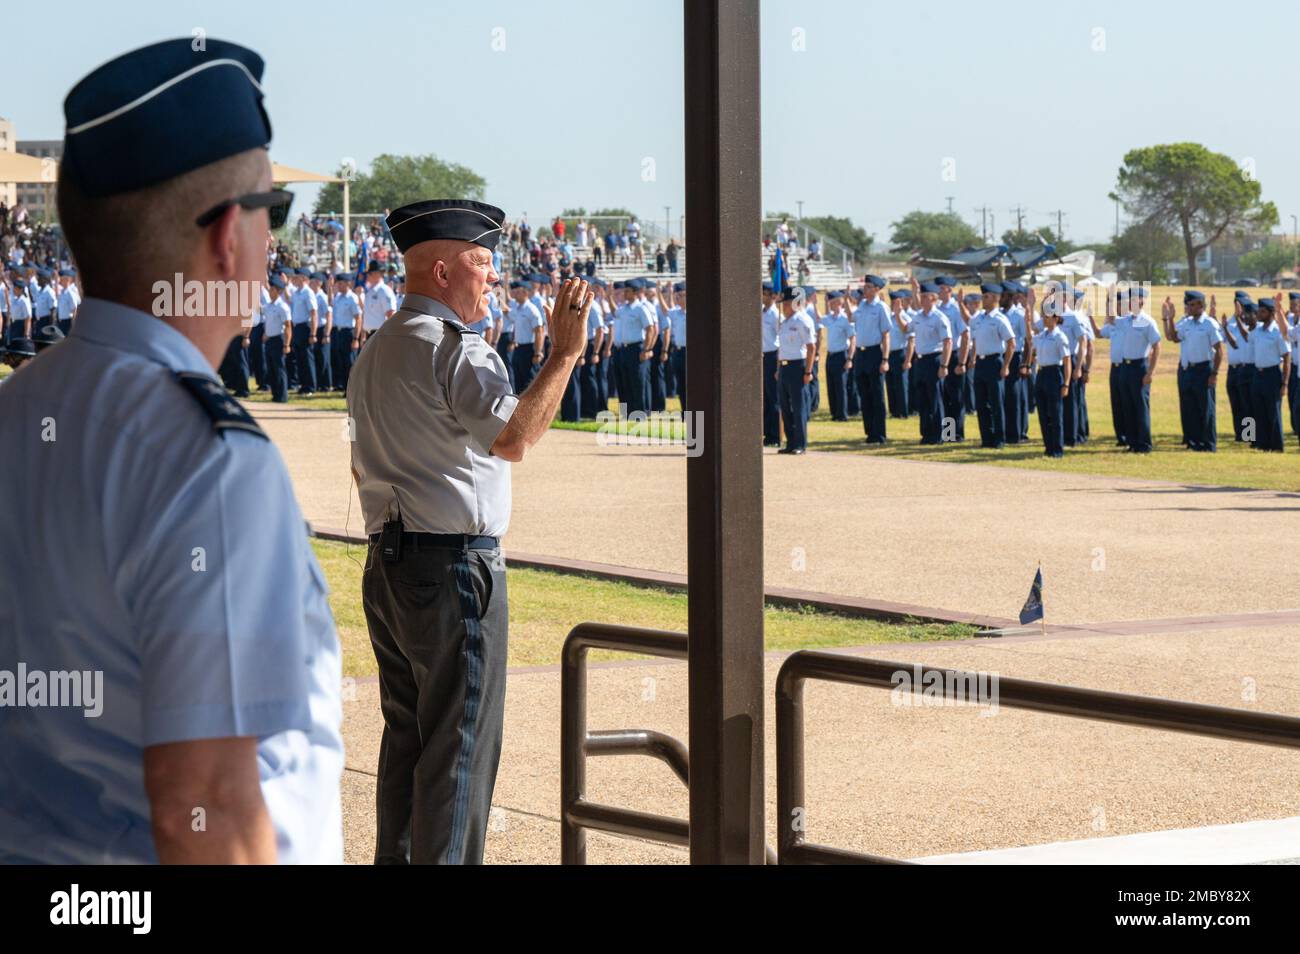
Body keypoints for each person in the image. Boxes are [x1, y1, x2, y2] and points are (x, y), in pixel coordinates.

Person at [0, 37, 341, 864]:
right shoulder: (209, 459)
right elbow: (210, 807)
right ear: (230, 237)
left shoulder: (20, 411)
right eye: (273, 212)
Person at [348, 199, 592, 864]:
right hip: (455, 569)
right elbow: (514, 437)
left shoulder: (377, 350)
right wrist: (565, 355)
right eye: (483, 263)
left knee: (409, 741)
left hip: (391, 563)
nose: (493, 278)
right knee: (459, 753)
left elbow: (357, 463)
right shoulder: (457, 348)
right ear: (444, 269)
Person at [1162, 290, 1224, 452]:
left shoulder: (1209, 324)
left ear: (1200, 305)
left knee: (1206, 409)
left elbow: (1219, 350)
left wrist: (1214, 374)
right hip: (1186, 370)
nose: (1188, 308)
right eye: (1187, 305)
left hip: (1203, 370)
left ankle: (1208, 444)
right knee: (1188, 407)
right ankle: (1193, 442)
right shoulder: (1186, 323)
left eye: (1191, 305)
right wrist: (1170, 317)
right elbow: (1173, 337)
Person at [1108, 287, 1161, 453]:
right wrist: (1110, 299)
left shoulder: (1148, 321)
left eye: (1132, 299)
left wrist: (1150, 372)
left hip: (1140, 366)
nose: (1129, 302)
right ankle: (1132, 443)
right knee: (1127, 406)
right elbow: (1111, 320)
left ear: (1141, 301)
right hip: (1125, 366)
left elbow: (1157, 346)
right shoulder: (1126, 320)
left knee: (1140, 406)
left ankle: (1144, 444)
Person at [963, 283, 1015, 448]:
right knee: (981, 403)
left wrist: (1006, 366)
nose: (982, 299)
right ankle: (986, 438)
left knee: (996, 402)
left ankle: (999, 439)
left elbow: (1011, 343)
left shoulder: (1000, 319)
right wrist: (972, 358)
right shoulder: (978, 319)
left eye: (985, 297)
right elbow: (975, 340)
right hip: (980, 363)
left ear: (994, 298)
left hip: (994, 362)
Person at [1241, 297, 1291, 452]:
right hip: (1258, 374)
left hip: (1272, 374)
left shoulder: (1277, 332)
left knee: (1273, 412)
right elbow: (1246, 338)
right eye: (1259, 311)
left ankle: (1277, 446)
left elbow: (1287, 357)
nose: (1259, 314)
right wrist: (1238, 320)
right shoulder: (1257, 331)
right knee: (1259, 410)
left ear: (1271, 313)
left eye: (1262, 312)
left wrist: (1284, 383)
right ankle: (1263, 444)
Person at [1027, 290, 1072, 458]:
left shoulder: (1060, 337)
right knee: (1043, 413)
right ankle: (1048, 446)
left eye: (1047, 316)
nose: (1044, 319)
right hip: (1041, 374)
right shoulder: (1042, 336)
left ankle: (1057, 449)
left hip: (1054, 374)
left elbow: (1067, 361)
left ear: (1055, 318)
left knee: (1055, 414)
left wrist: (1066, 383)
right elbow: (1031, 343)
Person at [909, 281, 953, 445]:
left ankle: (940, 434)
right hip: (920, 360)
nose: (921, 299)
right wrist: (899, 313)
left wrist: (944, 365)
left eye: (925, 297)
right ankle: (926, 433)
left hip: (934, 359)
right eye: (921, 296)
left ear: (933, 299)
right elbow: (906, 329)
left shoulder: (939, 317)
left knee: (936, 399)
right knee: (923, 399)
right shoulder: (918, 316)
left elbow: (948, 342)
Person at [850, 275, 891, 444]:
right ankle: (869, 433)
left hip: (875, 352)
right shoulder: (861, 306)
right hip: (861, 353)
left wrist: (885, 359)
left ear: (876, 289)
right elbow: (851, 319)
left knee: (877, 395)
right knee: (864, 394)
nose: (864, 290)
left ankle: (879, 434)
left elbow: (886, 334)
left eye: (868, 287)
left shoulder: (881, 307)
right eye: (864, 286)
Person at [775, 286, 815, 454]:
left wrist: (808, 371)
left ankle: (800, 444)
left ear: (794, 303)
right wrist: (778, 368)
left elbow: (811, 347)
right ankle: (791, 442)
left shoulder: (802, 320)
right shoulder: (785, 323)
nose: (782, 307)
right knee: (784, 406)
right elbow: (781, 348)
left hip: (797, 366)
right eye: (782, 304)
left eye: (785, 304)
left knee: (798, 407)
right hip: (784, 367)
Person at [822, 290, 855, 421]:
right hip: (830, 355)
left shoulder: (845, 319)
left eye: (831, 302)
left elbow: (853, 339)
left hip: (841, 355)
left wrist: (849, 358)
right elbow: (819, 319)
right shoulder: (829, 318)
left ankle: (842, 414)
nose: (829, 305)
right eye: (829, 302)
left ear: (838, 303)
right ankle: (834, 412)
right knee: (831, 386)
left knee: (840, 386)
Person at [262, 275, 292, 402]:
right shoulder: (269, 306)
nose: (269, 292)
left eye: (271, 290)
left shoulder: (283, 306)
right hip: (269, 340)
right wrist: (265, 334)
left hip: (279, 340)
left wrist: (287, 344)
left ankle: (282, 396)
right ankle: (275, 394)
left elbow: (288, 326)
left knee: (279, 368)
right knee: (271, 368)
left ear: (277, 291)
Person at [331, 272, 360, 391]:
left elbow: (358, 318)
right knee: (340, 360)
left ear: (348, 284)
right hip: (338, 332)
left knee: (349, 362)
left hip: (348, 332)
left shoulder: (352, 298)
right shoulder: (337, 297)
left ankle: (352, 388)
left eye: (341, 283)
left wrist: (356, 338)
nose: (338, 285)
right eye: (338, 283)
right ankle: (343, 386)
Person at [761, 281, 781, 445]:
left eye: (764, 294)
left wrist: (778, 366)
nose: (761, 296)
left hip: (772, 356)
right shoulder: (761, 312)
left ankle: (775, 436)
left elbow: (780, 340)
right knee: (764, 398)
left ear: (772, 296)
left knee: (773, 397)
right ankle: (766, 433)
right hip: (761, 357)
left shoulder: (775, 314)